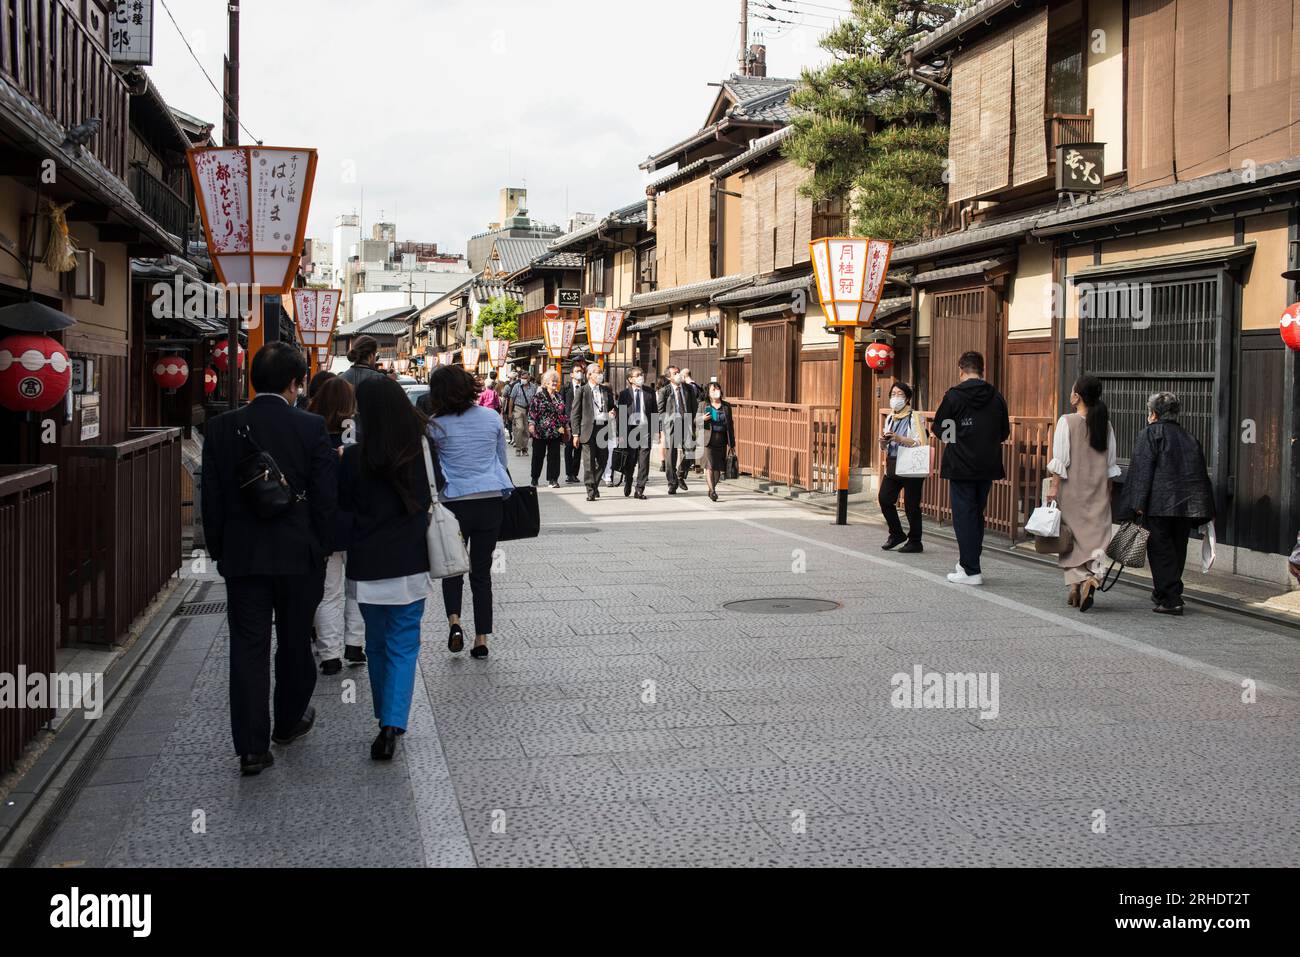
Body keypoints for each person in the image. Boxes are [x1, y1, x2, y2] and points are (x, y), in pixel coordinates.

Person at [200, 342, 336, 776]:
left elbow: (212, 499)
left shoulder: (221, 429)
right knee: (296, 640)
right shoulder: (311, 428)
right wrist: (324, 546)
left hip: (244, 557)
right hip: (299, 556)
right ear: (296, 384)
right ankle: (289, 720)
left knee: (248, 647)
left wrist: (220, 551)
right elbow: (324, 500)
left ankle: (252, 749)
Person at [339, 377, 431, 761]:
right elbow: (429, 502)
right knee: (404, 644)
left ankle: (384, 719)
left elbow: (342, 510)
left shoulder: (353, 458)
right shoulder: (420, 452)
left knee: (375, 644)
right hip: (409, 562)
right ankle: (392, 721)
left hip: (367, 565)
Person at [426, 365, 513, 659]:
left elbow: (433, 472)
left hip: (453, 504)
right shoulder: (491, 418)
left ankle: (455, 622)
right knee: (482, 572)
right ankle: (481, 639)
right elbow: (501, 461)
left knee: (453, 569)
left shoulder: (434, 424)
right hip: (489, 500)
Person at [1123, 391, 1216, 616]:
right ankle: (1164, 593)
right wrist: (1205, 508)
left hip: (1159, 504)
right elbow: (1199, 474)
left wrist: (1137, 503)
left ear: (1153, 413)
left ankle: (1172, 597)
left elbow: (1142, 470)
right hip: (1185, 505)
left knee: (1160, 551)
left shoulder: (1150, 434)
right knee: (1176, 549)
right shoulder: (1189, 438)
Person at [1044, 375, 1121, 612]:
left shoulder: (1067, 422)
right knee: (1097, 539)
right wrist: (1107, 493)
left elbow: (1061, 460)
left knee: (1072, 539)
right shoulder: (1105, 424)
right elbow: (1110, 464)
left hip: (1072, 492)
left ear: (1077, 396)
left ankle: (1075, 585)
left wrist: (1054, 488)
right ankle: (1092, 578)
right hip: (1098, 491)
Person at [934, 351, 1010, 586]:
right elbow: (1004, 432)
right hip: (987, 464)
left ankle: (971, 570)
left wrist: (959, 436)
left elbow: (941, 430)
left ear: (961, 370)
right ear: (982, 370)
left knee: (964, 516)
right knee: (976, 515)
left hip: (961, 465)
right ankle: (968, 563)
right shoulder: (996, 397)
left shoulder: (954, 396)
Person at [307, 376, 366, 673]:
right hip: (357, 520)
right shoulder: (357, 433)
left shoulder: (311, 432)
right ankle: (355, 645)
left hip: (325, 521)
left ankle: (330, 655)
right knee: (356, 586)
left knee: (328, 590)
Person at [877, 381, 927, 554]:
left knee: (911, 505)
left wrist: (899, 438)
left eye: (899, 394)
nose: (895, 398)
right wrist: (883, 443)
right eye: (893, 394)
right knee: (884, 498)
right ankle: (896, 533)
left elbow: (921, 442)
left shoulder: (915, 417)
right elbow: (885, 446)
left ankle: (915, 541)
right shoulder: (890, 417)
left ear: (907, 399)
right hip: (893, 463)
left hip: (911, 465)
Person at [570, 365, 617, 502]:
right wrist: (575, 434)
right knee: (589, 462)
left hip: (603, 427)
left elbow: (611, 406)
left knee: (603, 460)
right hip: (587, 429)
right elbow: (575, 414)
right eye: (597, 373)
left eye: (601, 372)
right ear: (589, 375)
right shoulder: (582, 391)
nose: (600, 375)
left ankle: (594, 484)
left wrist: (612, 411)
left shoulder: (605, 390)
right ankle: (590, 490)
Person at [617, 368, 658, 499]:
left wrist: (656, 430)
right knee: (630, 460)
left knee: (644, 461)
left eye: (642, 374)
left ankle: (640, 488)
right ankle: (628, 480)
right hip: (630, 430)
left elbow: (654, 413)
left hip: (645, 430)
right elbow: (621, 415)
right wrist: (621, 435)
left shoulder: (650, 392)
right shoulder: (624, 394)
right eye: (637, 375)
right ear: (630, 379)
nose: (641, 377)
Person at [695, 381, 736, 502]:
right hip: (707, 441)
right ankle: (713, 491)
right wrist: (702, 418)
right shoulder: (703, 405)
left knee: (718, 468)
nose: (716, 391)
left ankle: (711, 487)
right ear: (708, 392)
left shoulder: (726, 406)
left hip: (721, 440)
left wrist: (732, 443)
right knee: (710, 466)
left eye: (717, 389)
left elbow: (730, 426)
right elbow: (695, 421)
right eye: (713, 389)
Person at [528, 369, 569, 488]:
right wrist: (531, 425)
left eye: (556, 381)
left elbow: (563, 414)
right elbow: (532, 412)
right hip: (540, 431)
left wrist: (567, 428)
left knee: (554, 457)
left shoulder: (559, 396)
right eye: (553, 381)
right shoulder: (538, 396)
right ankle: (534, 478)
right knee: (538, 456)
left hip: (555, 431)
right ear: (546, 383)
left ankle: (553, 479)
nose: (555, 383)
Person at [659, 366, 697, 494]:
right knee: (671, 455)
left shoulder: (688, 388)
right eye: (675, 373)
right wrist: (662, 427)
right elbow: (660, 410)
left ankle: (681, 474)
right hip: (671, 425)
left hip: (686, 422)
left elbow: (694, 406)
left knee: (691, 451)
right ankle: (672, 482)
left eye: (679, 372)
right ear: (669, 377)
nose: (678, 375)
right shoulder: (665, 391)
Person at [562, 362, 588, 483]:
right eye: (577, 371)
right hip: (568, 423)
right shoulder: (565, 388)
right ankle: (568, 473)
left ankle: (575, 473)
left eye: (581, 371)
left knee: (578, 449)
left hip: (582, 422)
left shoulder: (586, 387)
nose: (580, 373)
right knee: (568, 448)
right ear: (571, 374)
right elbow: (561, 406)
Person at [505, 370, 537, 457]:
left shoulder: (533, 387)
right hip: (518, 408)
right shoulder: (517, 386)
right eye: (522, 378)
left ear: (529, 378)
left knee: (526, 431)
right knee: (519, 428)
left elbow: (535, 400)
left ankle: (524, 448)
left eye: (525, 378)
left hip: (529, 409)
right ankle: (518, 448)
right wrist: (510, 412)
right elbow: (511, 399)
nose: (524, 379)